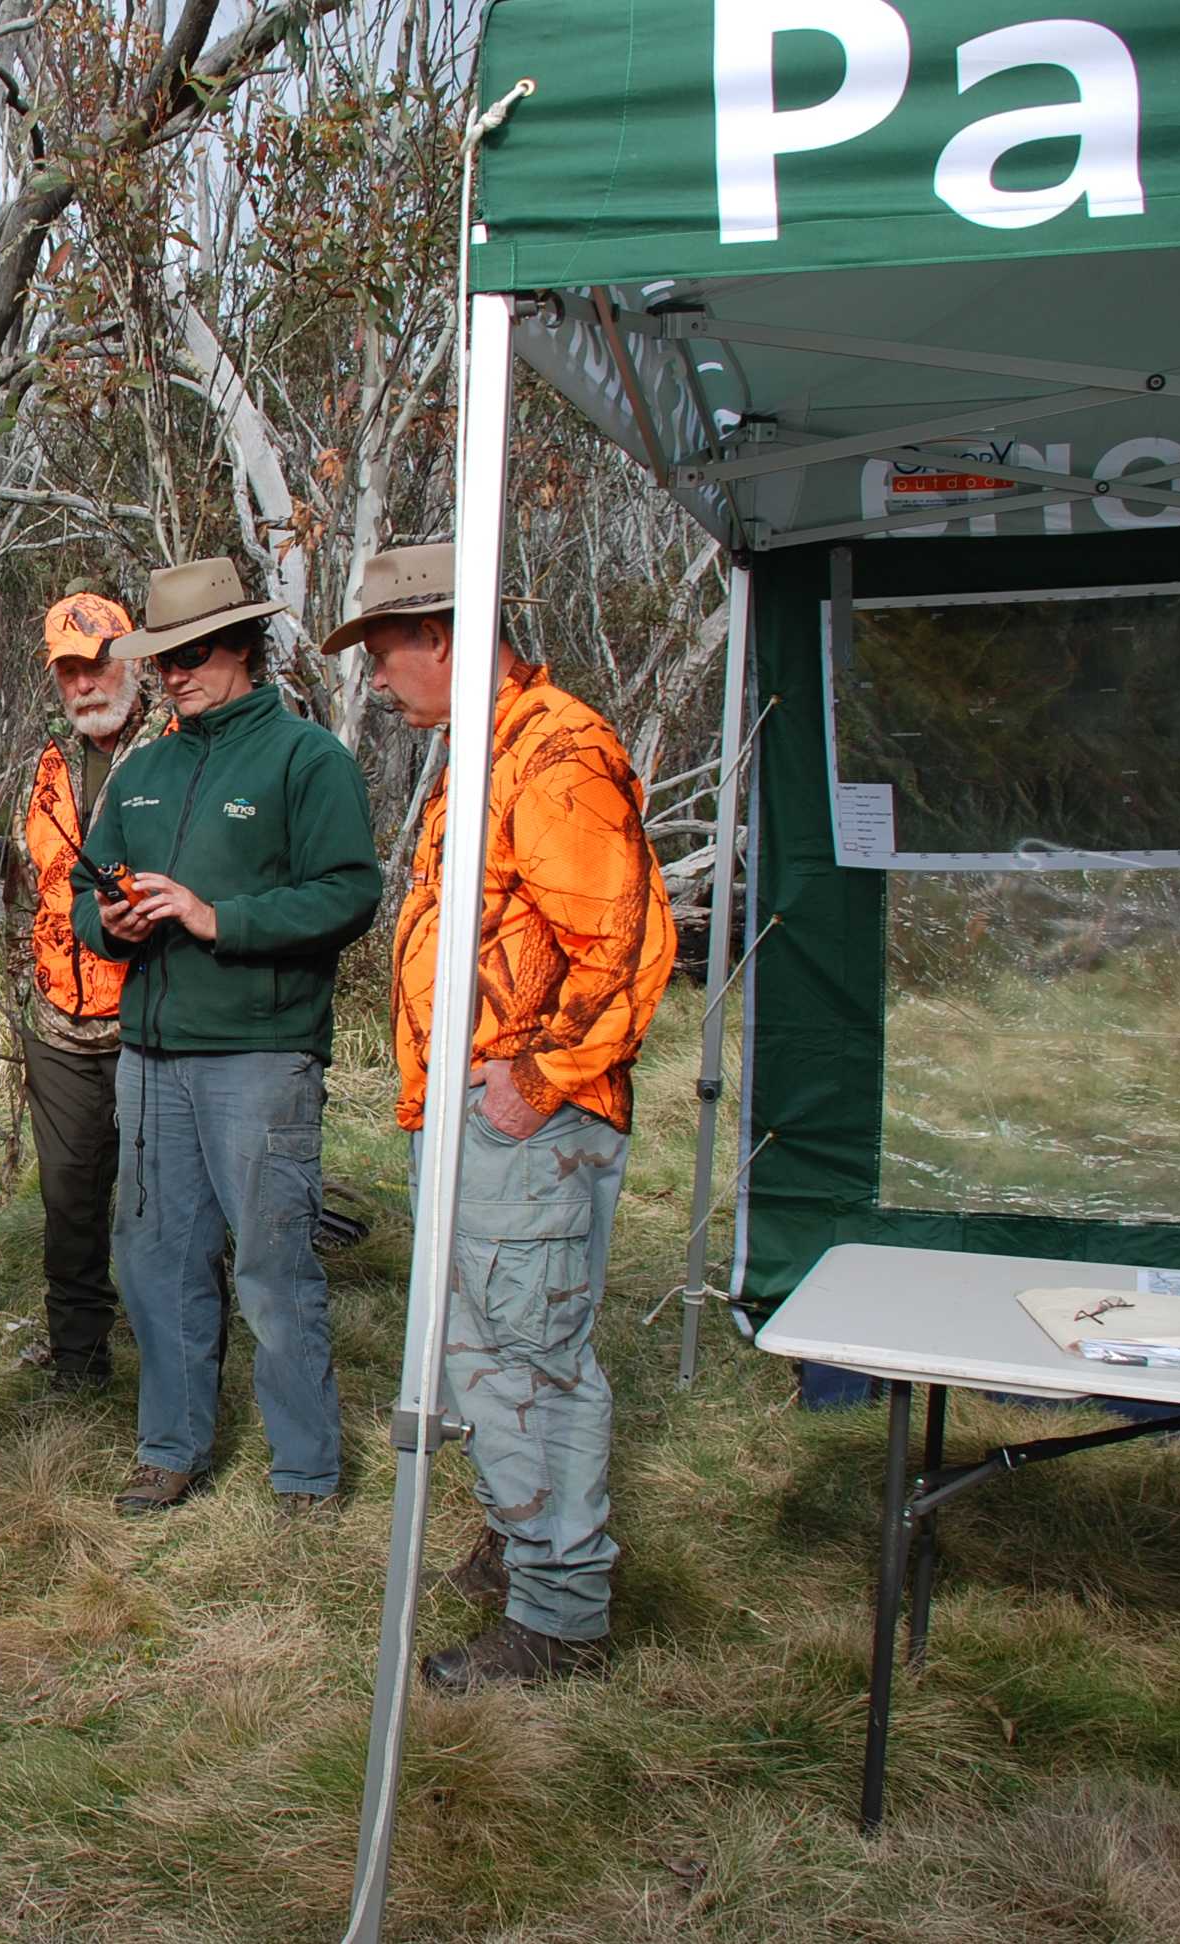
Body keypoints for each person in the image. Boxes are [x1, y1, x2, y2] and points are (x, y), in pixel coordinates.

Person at [322, 541, 674, 1690]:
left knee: (530, 1361)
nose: (378, 679)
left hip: (525, 1118)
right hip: (472, 1113)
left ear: (443, 637)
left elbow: (618, 948)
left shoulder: (557, 754)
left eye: (384, 654)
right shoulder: (486, 747)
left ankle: (560, 1613)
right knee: (479, 1351)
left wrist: (537, 1080)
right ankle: (522, 1537)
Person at [71, 559, 382, 1520]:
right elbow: (89, 893)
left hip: (260, 1055)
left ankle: (305, 1470)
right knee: (155, 1256)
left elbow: (350, 892)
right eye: (163, 658)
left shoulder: (306, 759)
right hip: (150, 1057)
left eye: (194, 653)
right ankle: (170, 1448)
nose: (176, 673)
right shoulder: (145, 769)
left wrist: (218, 919)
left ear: (244, 646)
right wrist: (109, 923)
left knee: (273, 1261)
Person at [17, 592, 167, 1395]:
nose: (84, 684)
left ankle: (175, 1369)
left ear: (135, 660)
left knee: (161, 1208)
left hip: (151, 1018)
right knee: (70, 1206)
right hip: (61, 1026)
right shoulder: (49, 766)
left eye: (98, 663)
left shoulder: (178, 752)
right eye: (69, 670)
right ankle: (77, 1364)